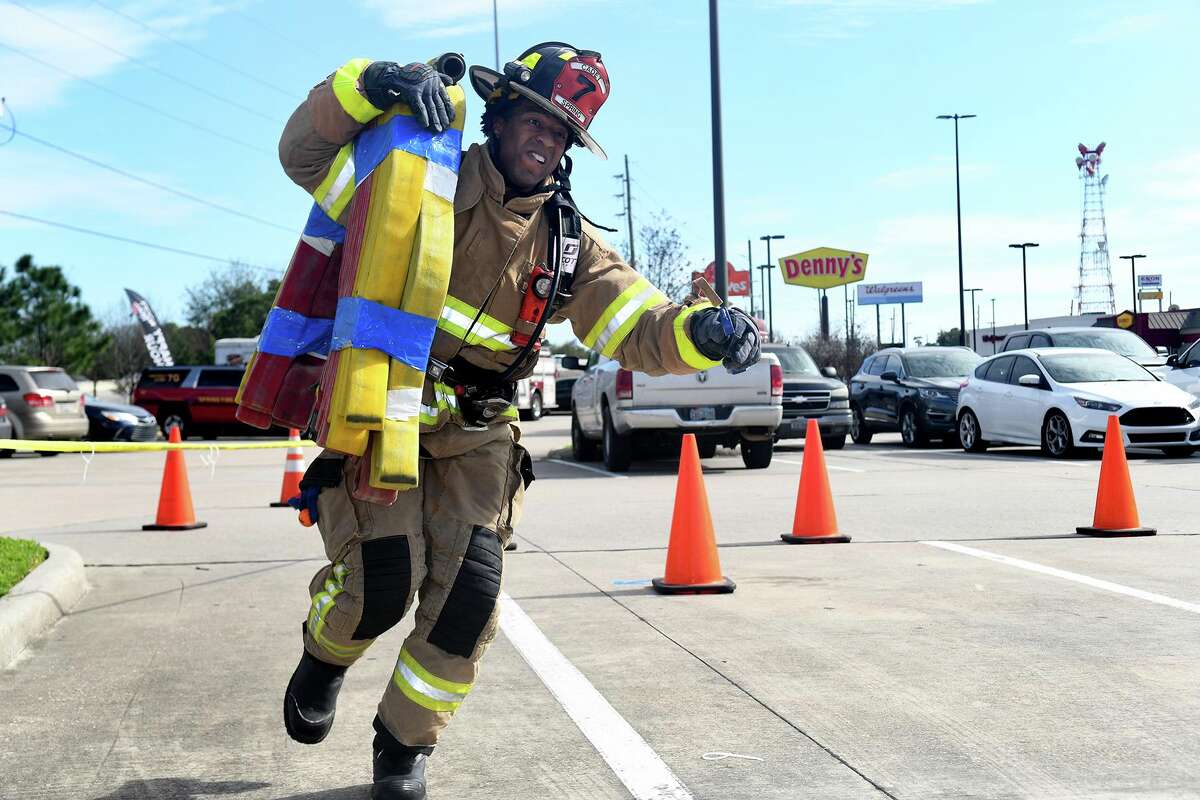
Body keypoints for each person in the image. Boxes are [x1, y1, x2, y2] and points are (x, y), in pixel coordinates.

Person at [278, 43, 760, 800]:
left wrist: (704, 332)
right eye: (536, 119)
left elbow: (638, 322)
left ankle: (402, 747)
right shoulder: (412, 172)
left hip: (478, 432)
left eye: (563, 131)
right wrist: (369, 88)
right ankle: (324, 659)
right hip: (381, 414)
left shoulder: (569, 243)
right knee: (380, 586)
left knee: (469, 597)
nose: (547, 139)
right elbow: (302, 152)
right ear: (498, 117)